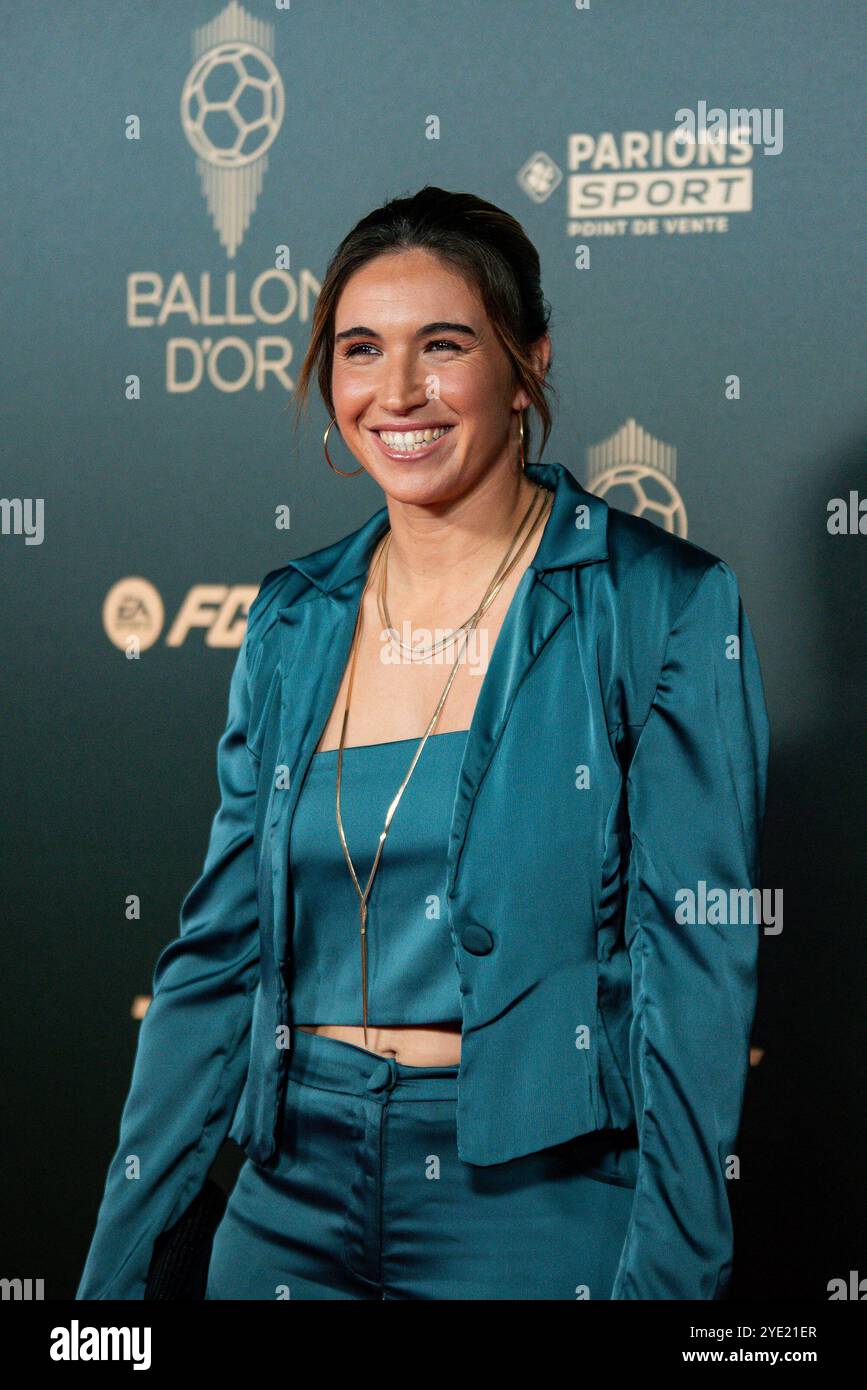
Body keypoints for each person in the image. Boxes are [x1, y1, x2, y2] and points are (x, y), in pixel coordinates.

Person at [77, 186, 770, 1301]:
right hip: (286, 1192)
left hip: (534, 1207)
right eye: (360, 350)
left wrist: (672, 1283)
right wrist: (106, 1290)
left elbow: (696, 977)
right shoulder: (294, 617)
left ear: (527, 365)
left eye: (442, 346)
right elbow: (215, 965)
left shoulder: (657, 604)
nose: (396, 391)